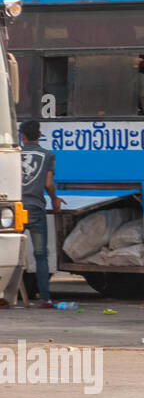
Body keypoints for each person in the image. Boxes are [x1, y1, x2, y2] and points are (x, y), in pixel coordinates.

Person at [20, 120, 63, 308]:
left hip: (15, 211)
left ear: (22, 136)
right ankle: (45, 298)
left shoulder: (14, 155)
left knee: (10, 253)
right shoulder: (48, 155)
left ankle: (5, 296)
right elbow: (48, 184)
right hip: (36, 208)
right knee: (40, 255)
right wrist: (55, 200)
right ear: (39, 135)